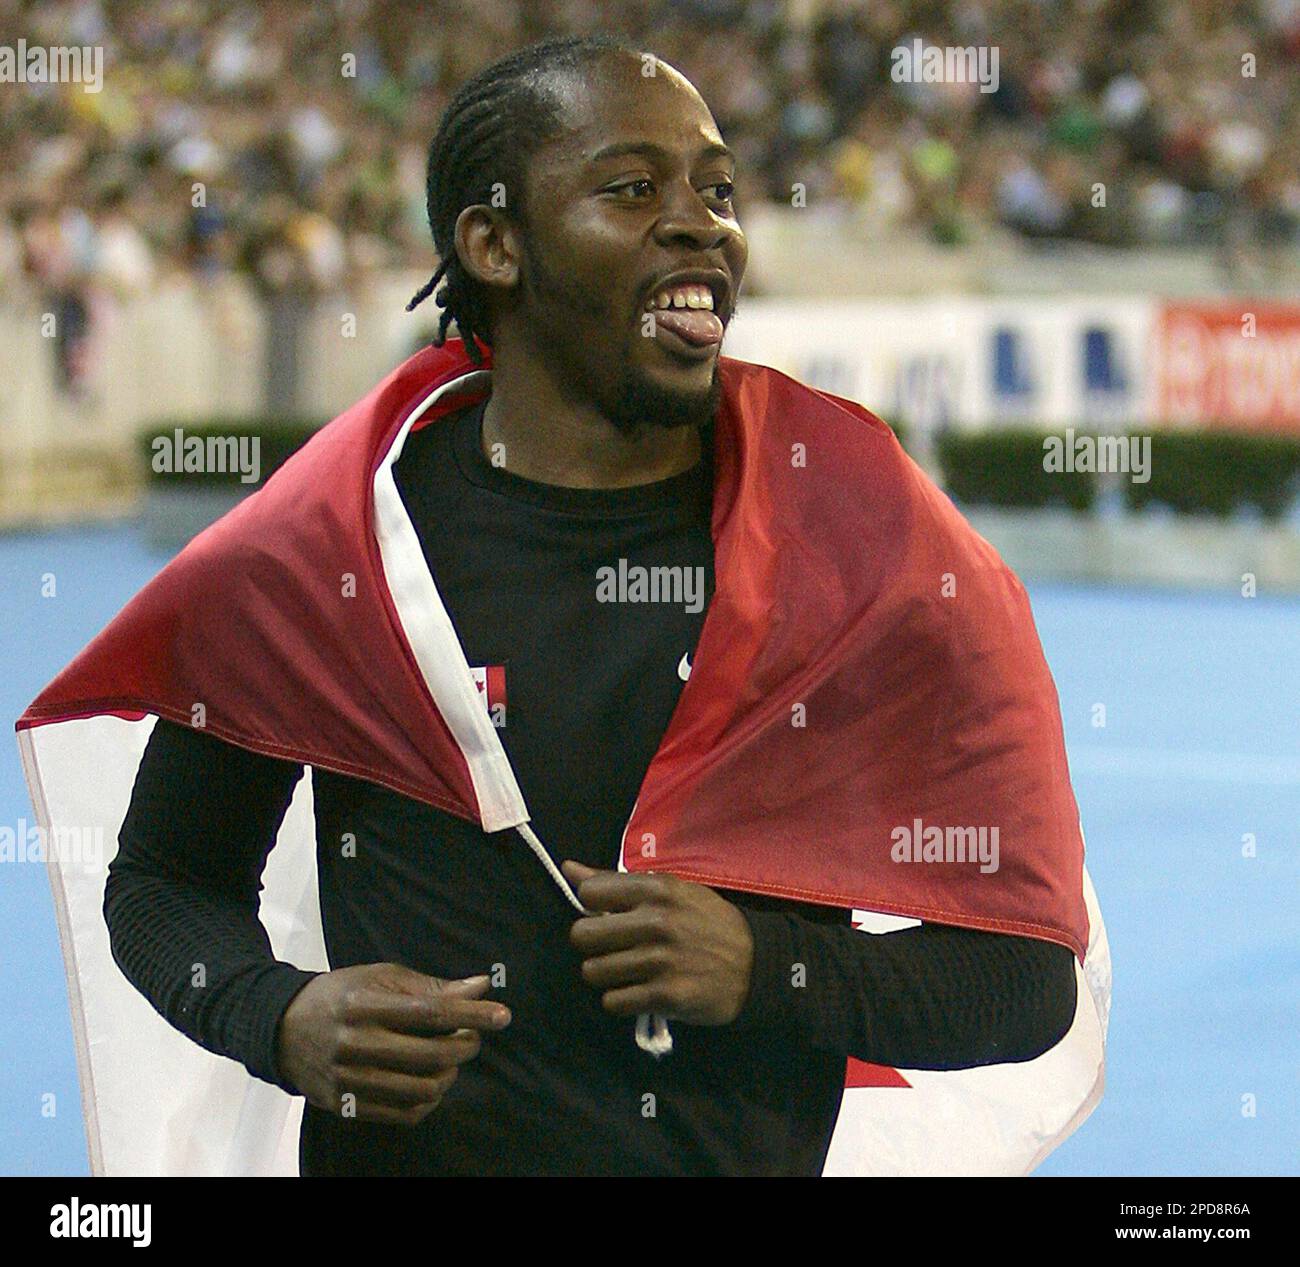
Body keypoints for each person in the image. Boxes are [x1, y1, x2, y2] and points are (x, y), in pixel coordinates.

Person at [96, 36, 1082, 1177]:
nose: (700, 223)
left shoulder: (854, 541)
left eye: (718, 189)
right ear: (494, 244)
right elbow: (165, 881)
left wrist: (770, 969)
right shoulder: (341, 546)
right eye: (632, 189)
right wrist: (277, 1015)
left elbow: (1023, 978)